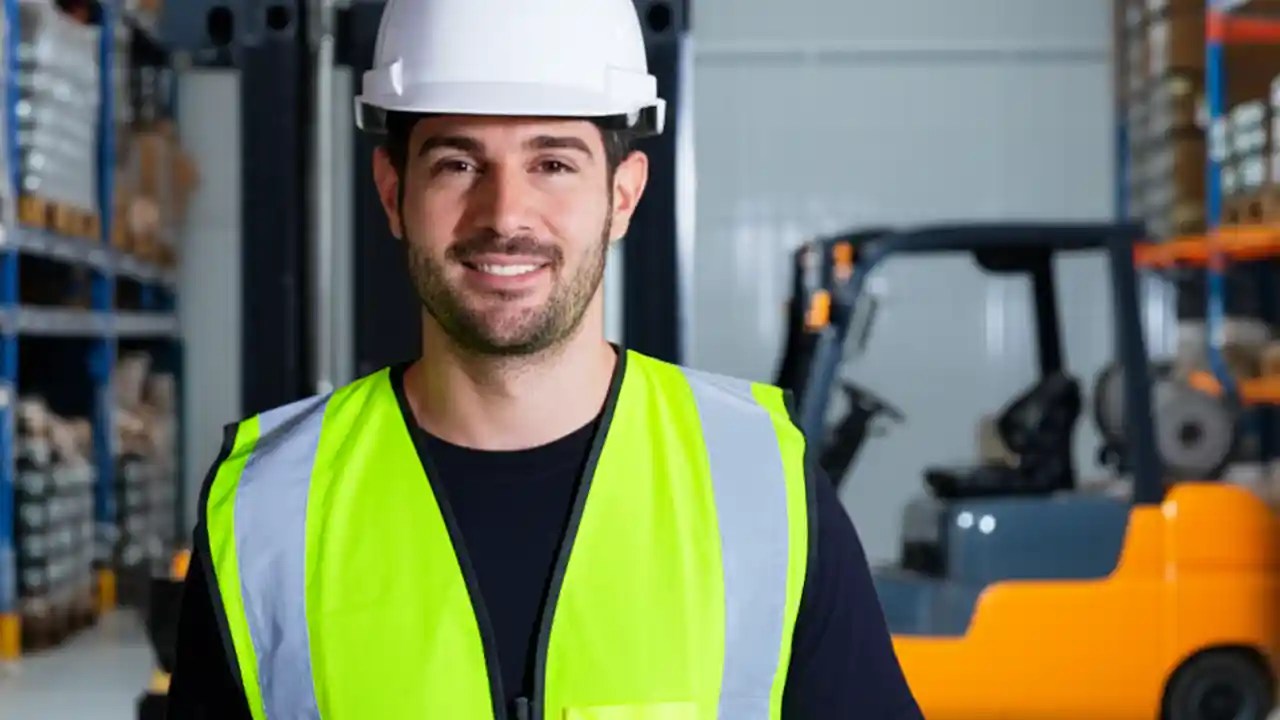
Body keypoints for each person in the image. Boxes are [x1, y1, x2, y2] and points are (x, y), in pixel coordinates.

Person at [165, 0, 923, 717]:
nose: (504, 216)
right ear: (393, 193)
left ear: (623, 196)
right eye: (458, 164)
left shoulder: (763, 481)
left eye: (553, 163)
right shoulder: (266, 506)